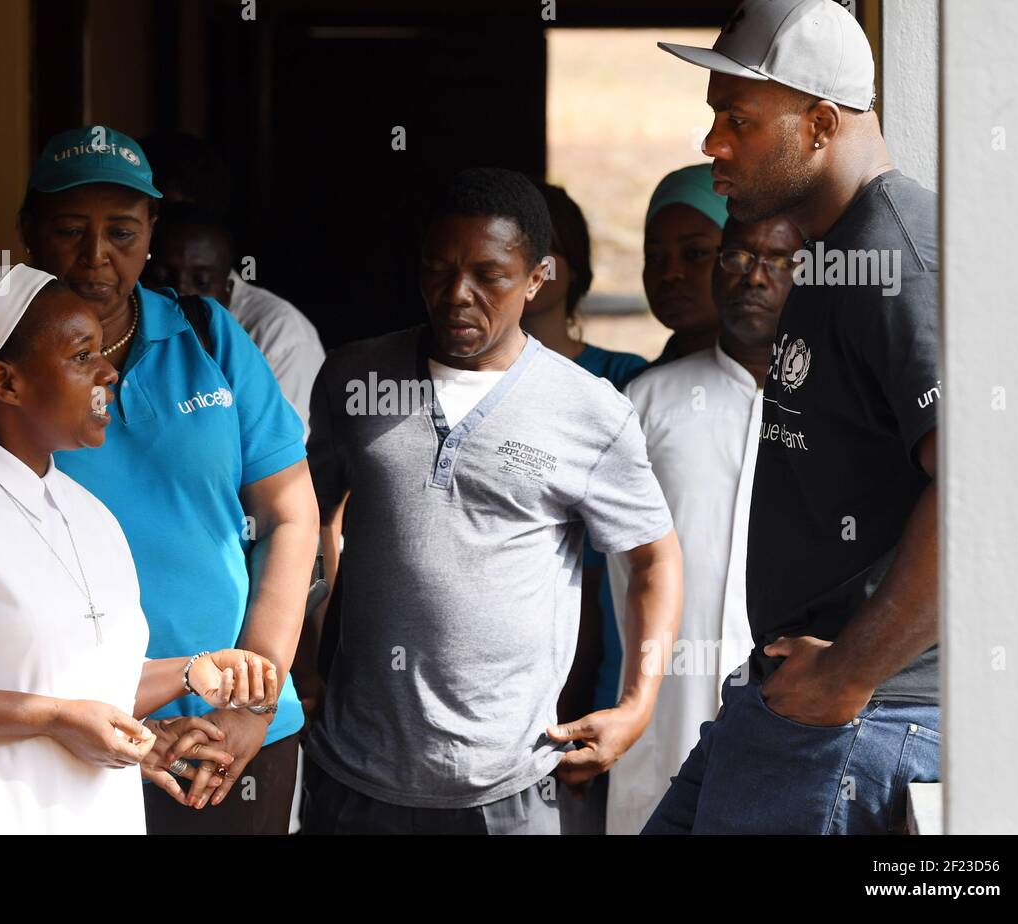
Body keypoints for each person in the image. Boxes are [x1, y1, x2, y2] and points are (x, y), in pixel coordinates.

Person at [300, 168, 682, 834]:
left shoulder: (589, 411)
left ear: (539, 278)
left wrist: (638, 702)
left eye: (489, 274)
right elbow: (301, 523)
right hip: (355, 774)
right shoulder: (355, 379)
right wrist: (298, 661)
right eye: (437, 270)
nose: (457, 296)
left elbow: (654, 560)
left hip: (511, 785)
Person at [0, 265, 275, 833]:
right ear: (6, 382)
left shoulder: (90, 516)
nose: (109, 372)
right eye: (81, 356)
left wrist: (189, 673)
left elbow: (83, 683)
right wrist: (54, 719)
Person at [646, 0, 940, 834]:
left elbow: (978, 490)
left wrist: (850, 671)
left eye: (738, 119)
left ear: (818, 124)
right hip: (796, 702)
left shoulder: (895, 258)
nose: (712, 145)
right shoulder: (834, 252)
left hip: (861, 720)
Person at [21, 126, 320, 834]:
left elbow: (291, 516)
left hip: (233, 739)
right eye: (69, 230)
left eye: (122, 232)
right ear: (29, 231)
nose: (96, 257)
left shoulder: (208, 335)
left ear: (153, 230)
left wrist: (251, 701)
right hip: (74, 731)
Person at [606, 214, 802, 834]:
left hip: (790, 719)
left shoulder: (839, 410)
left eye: (779, 261)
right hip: (663, 718)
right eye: (735, 258)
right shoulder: (645, 403)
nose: (753, 277)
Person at [521, 179, 647, 834]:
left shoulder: (626, 380)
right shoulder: (467, 384)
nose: (533, 264)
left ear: (578, 269)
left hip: (608, 637)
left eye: (550, 249)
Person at [143, 201, 326, 436]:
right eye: (160, 278)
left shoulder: (281, 335)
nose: (179, 294)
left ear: (228, 290)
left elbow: (283, 455)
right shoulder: (130, 319)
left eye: (202, 282)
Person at [641, 165, 729, 369]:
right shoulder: (634, 394)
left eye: (695, 253)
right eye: (653, 257)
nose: (670, 273)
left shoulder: (790, 388)